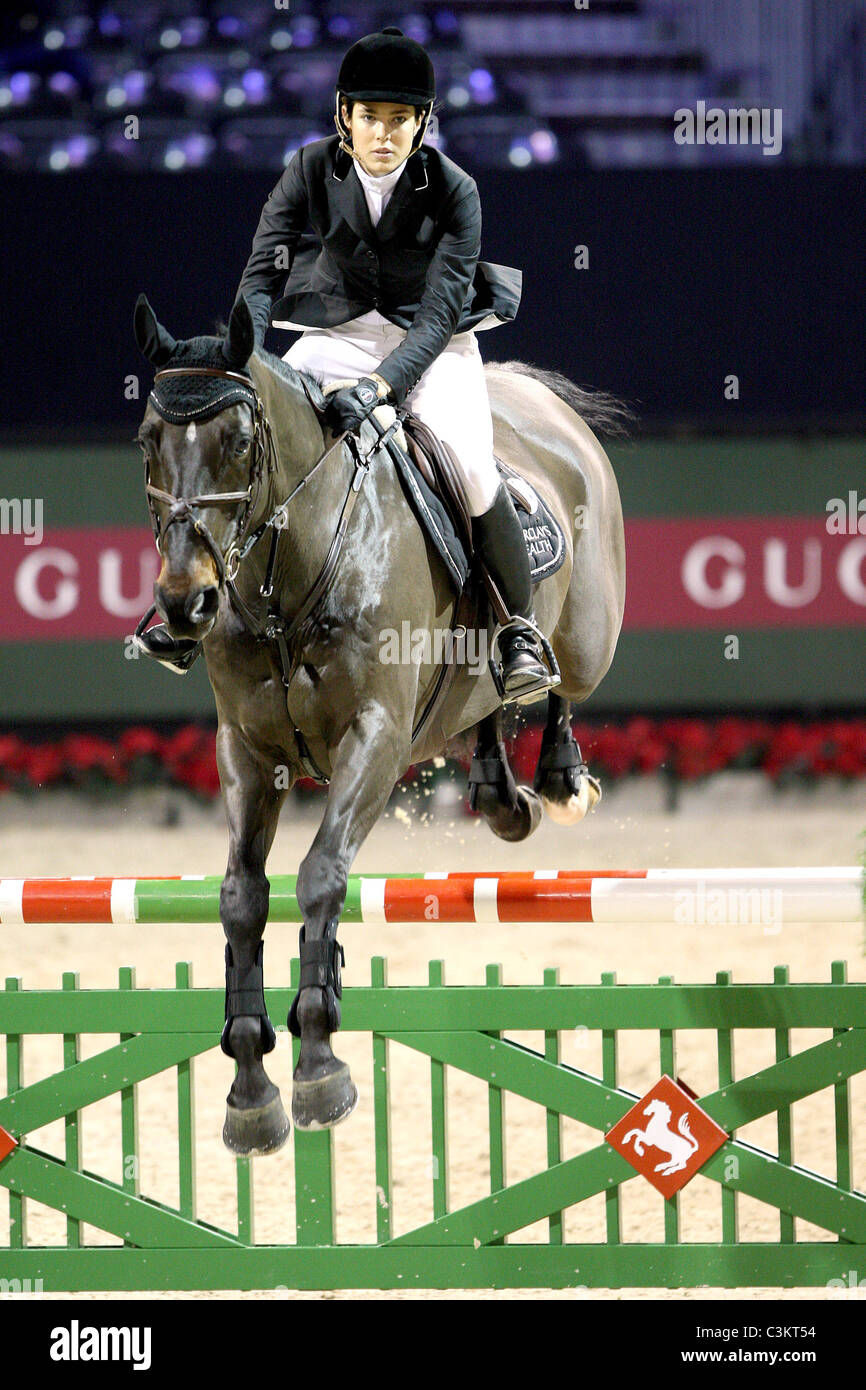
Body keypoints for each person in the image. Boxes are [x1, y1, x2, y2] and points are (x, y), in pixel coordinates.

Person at [150, 25, 554, 698]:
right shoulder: (308, 169)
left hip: (434, 346)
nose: (385, 133)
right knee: (261, 437)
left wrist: (381, 386)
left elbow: (438, 315)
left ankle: (518, 632)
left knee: (473, 468)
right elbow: (261, 272)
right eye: (371, 116)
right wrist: (241, 355)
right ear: (345, 115)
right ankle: (192, 607)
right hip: (333, 333)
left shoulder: (456, 191)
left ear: (423, 122)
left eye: (401, 119)